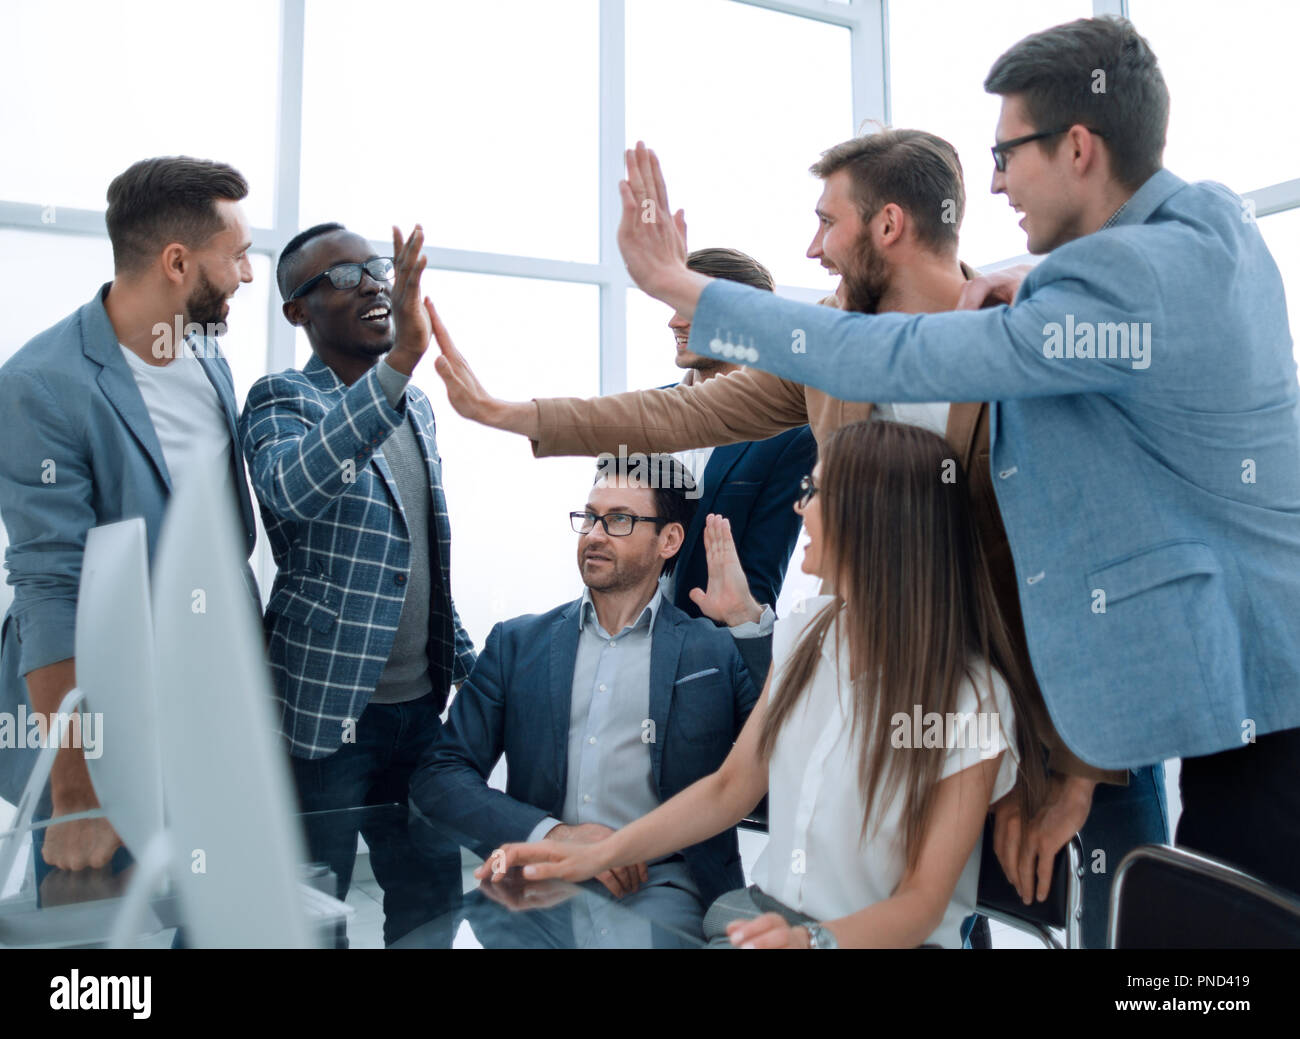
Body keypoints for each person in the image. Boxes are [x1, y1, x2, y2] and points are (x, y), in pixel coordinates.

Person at [610, 17, 1300, 898]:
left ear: (1079, 146)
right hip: (1247, 686)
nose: (998, 179)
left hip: (1239, 710)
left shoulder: (1117, 280)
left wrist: (685, 287)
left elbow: (894, 353)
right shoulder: (1209, 222)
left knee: (1206, 961)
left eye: (1008, 151)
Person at [429, 127, 1166, 943]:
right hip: (898, 687)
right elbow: (682, 411)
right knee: (919, 901)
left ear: (888, 225)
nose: (812, 247)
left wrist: (1076, 772)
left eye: (826, 221)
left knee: (1123, 936)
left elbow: (1104, 557)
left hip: (1047, 717)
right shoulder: (829, 346)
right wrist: (514, 415)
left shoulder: (1018, 332)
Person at [483, 420, 1049, 948]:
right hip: (763, 918)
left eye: (817, 492)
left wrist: (812, 941)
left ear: (875, 520)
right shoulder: (805, 635)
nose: (800, 507)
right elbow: (733, 787)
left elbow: (925, 904)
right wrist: (593, 854)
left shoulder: (972, 696)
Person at [0, 156, 258, 887]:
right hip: (104, 730)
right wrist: (75, 790)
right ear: (177, 262)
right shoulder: (41, 385)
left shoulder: (209, 356)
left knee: (213, 914)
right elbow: (49, 587)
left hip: (209, 706)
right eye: (235, 256)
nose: (245, 275)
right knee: (94, 939)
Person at [411, 453, 769, 945]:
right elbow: (439, 776)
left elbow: (777, 776)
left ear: (669, 540)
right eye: (590, 517)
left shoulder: (714, 653)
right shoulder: (518, 645)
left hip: (665, 891)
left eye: (619, 519)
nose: (595, 535)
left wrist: (748, 624)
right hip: (537, 888)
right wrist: (554, 836)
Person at [238, 222, 472, 946]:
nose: (372, 284)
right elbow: (292, 488)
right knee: (315, 908)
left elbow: (417, 555)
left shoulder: (417, 407)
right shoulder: (282, 398)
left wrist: (471, 666)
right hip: (328, 715)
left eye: (373, 268)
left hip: (420, 708)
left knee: (431, 901)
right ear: (297, 312)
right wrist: (398, 365)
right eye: (342, 278)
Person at [660, 247, 814, 621]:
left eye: (690, 307)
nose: (674, 322)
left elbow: (756, 590)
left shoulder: (789, 436)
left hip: (703, 659)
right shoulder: (651, 409)